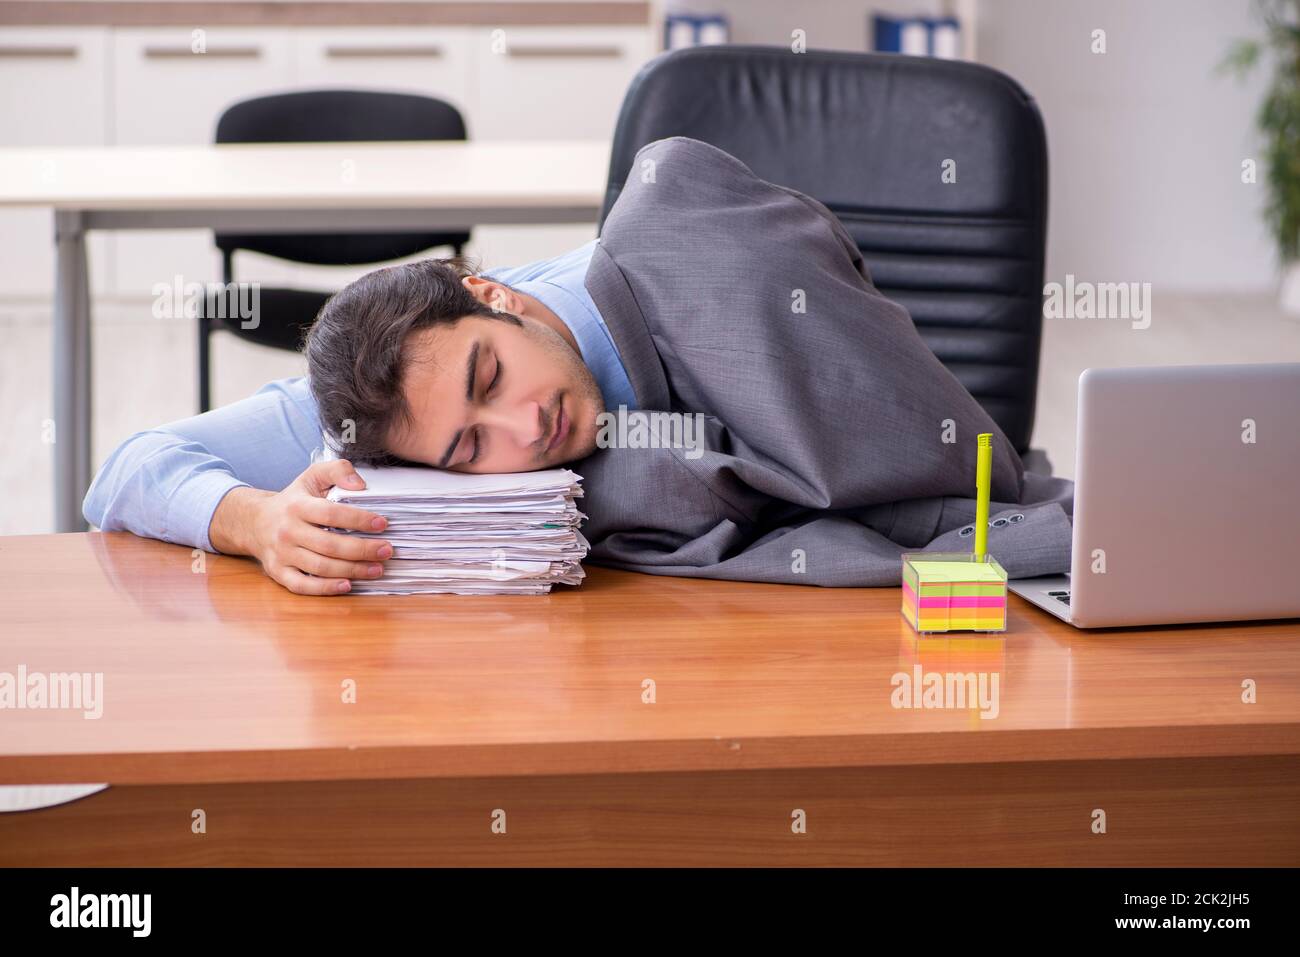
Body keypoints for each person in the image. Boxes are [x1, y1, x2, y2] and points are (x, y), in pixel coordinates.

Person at [85, 137, 1075, 595]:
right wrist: (257, 520)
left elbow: (938, 456)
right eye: (467, 451)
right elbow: (127, 468)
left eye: (490, 379)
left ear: (496, 296)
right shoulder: (378, 403)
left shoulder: (683, 264)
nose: (523, 433)